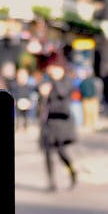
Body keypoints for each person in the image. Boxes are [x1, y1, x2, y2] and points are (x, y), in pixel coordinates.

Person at [38, 52, 77, 192]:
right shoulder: (47, 81)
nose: (53, 71)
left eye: (55, 68)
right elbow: (42, 100)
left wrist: (54, 81)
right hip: (49, 123)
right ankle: (51, 182)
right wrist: (42, 93)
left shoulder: (66, 80)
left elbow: (62, 92)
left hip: (62, 122)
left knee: (62, 153)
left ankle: (72, 172)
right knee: (48, 153)